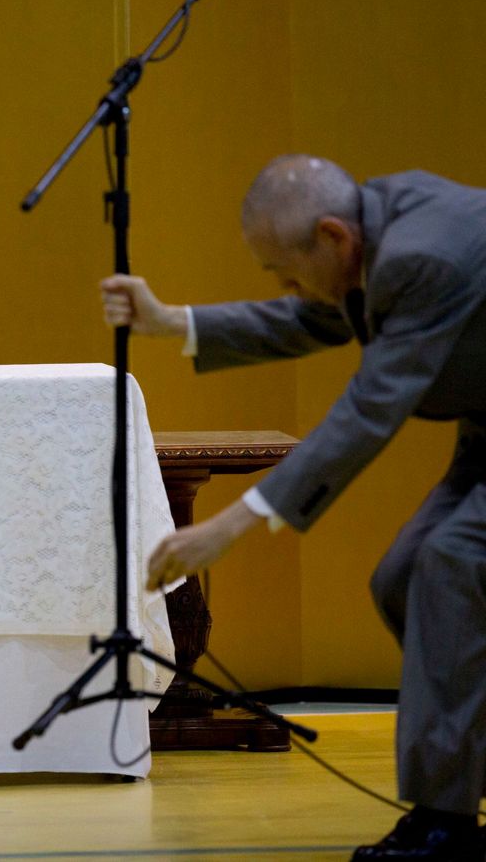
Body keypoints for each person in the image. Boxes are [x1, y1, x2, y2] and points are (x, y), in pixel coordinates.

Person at [101, 155, 486, 861]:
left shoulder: (422, 259)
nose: (285, 286)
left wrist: (227, 527)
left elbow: (365, 415)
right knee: (402, 577)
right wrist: (170, 322)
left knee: (450, 564)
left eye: (284, 270)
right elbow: (317, 317)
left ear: (334, 238)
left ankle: (446, 823)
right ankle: (456, 784)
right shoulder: (379, 222)